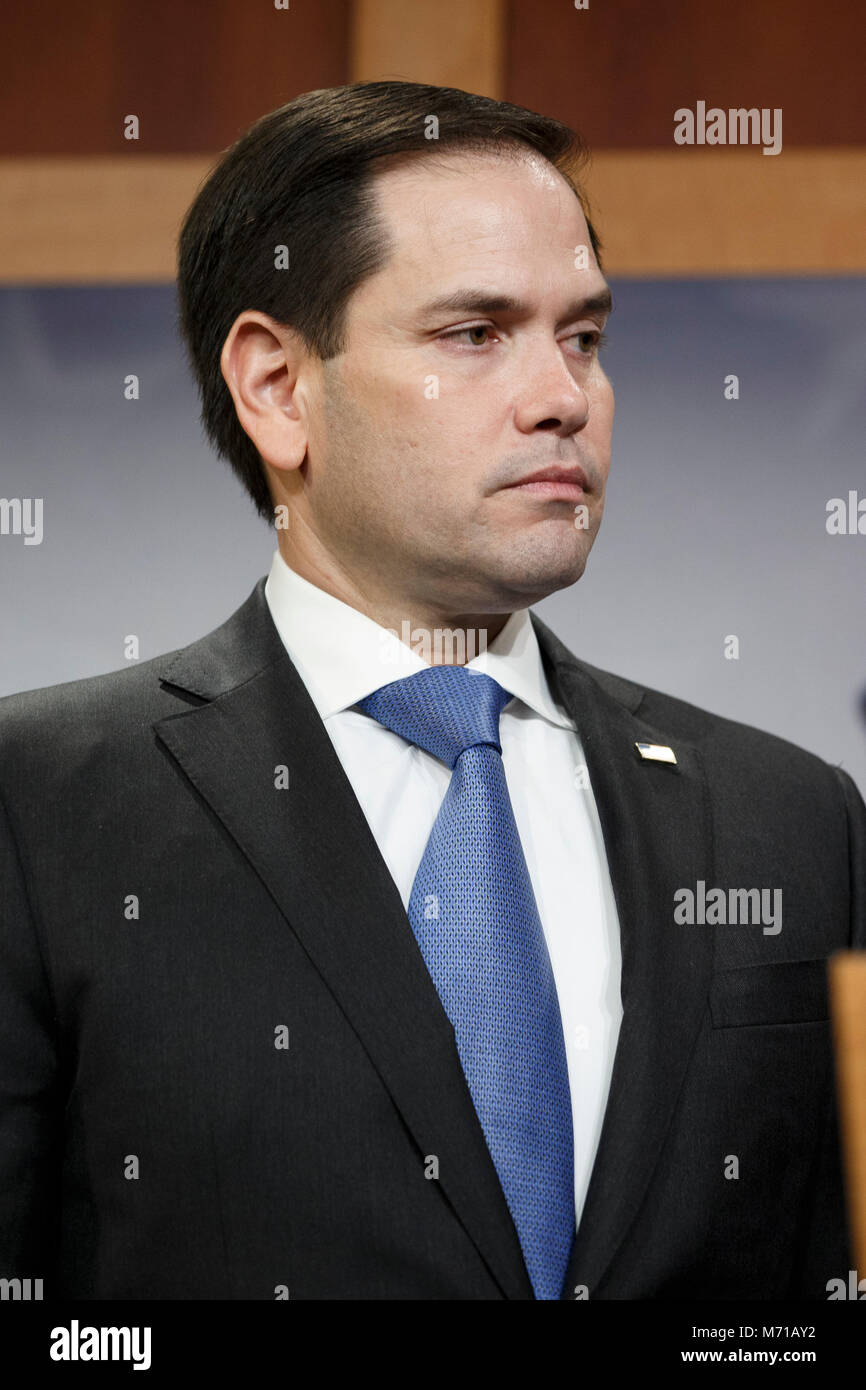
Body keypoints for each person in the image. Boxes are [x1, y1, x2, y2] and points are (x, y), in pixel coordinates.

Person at [0, 80, 862, 1301]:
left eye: (583, 337)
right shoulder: (37, 809)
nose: (562, 396)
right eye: (475, 333)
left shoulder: (792, 816)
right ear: (277, 389)